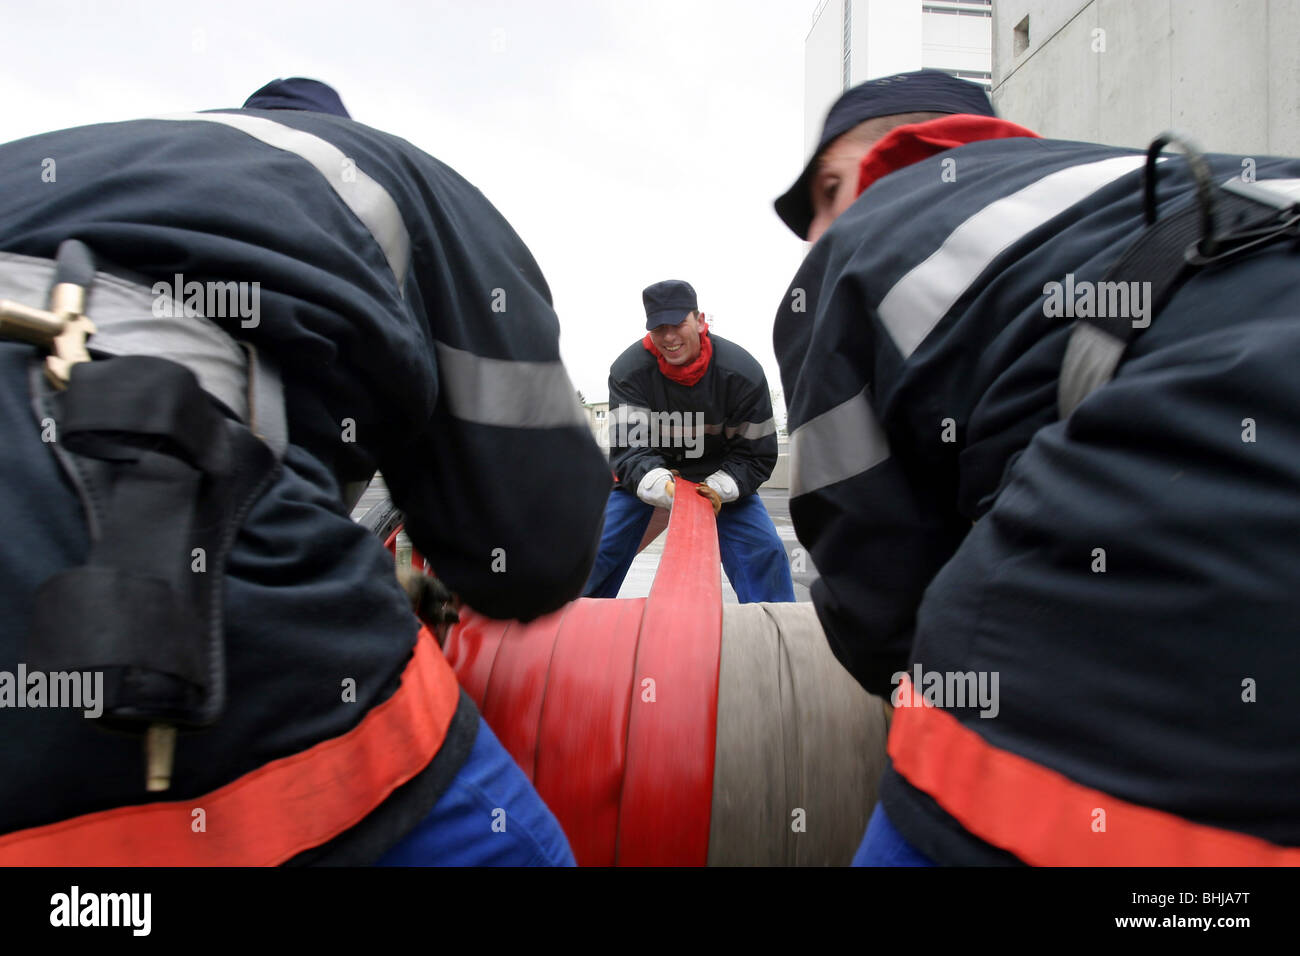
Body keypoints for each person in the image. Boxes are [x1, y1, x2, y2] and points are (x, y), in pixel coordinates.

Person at [0, 78, 611, 865]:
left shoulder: (77, 156)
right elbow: (533, 540)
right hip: (127, 503)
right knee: (507, 848)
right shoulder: (381, 174)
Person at [773, 69, 1300, 864]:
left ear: (840, 179)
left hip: (1196, 498)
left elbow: (873, 569)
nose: (812, 239)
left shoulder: (858, 244)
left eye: (812, 212)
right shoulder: (1123, 182)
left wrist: (920, 689)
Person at [583, 279, 795, 603]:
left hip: (720, 478)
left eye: (678, 323)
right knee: (593, 551)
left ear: (699, 320)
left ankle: (776, 640)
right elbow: (630, 450)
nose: (669, 337)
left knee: (765, 553)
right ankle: (566, 631)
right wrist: (662, 485)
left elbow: (755, 455)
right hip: (651, 476)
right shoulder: (630, 371)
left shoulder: (741, 374)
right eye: (659, 327)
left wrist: (721, 488)